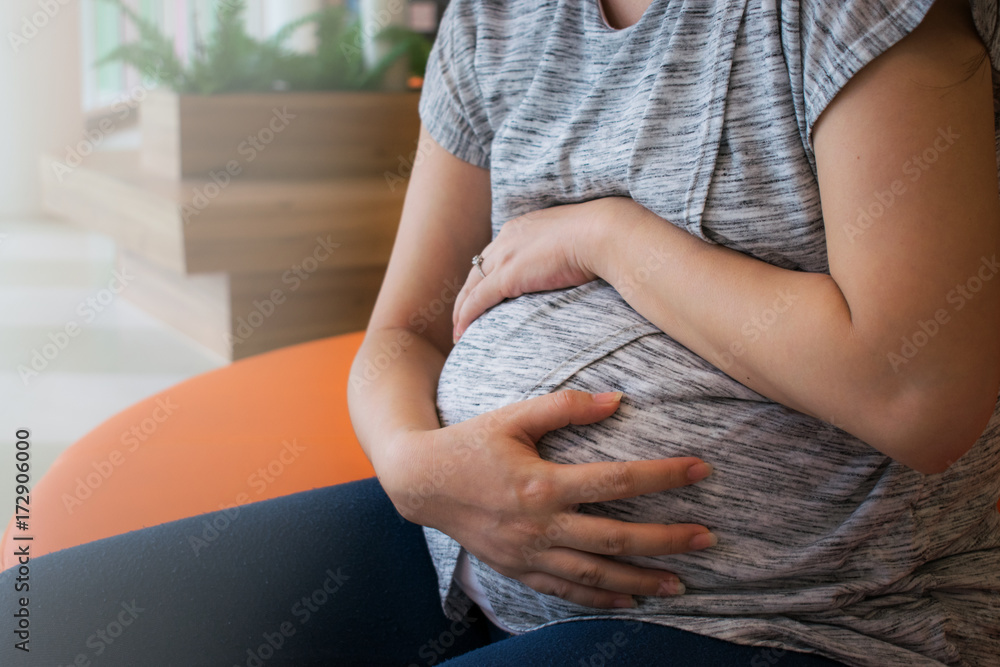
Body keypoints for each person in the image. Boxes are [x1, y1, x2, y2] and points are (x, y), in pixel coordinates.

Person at [2, 0, 998, 665]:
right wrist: (411, 465)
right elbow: (401, 330)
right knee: (37, 632)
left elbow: (918, 393)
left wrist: (609, 239)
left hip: (794, 618)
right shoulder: (501, 17)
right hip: (453, 537)